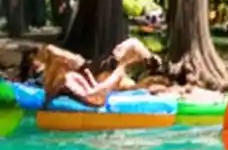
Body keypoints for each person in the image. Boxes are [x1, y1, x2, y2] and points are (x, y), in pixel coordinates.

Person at [29, 38, 159, 108]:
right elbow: (98, 90)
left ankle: (148, 59)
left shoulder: (119, 73)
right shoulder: (117, 70)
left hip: (96, 80)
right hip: (96, 79)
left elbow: (98, 91)